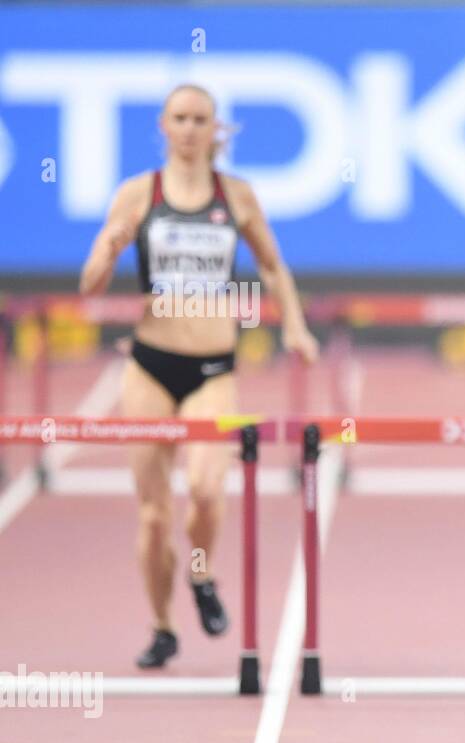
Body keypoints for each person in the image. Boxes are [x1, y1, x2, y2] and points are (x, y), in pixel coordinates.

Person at [79, 83, 319, 668]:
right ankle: (162, 627)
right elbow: (88, 289)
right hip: (150, 366)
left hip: (212, 368)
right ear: (163, 125)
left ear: (215, 128)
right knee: (154, 512)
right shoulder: (139, 195)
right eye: (180, 118)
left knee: (208, 491)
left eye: (200, 119)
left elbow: (272, 265)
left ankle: (202, 574)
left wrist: (294, 325)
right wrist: (108, 251)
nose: (189, 128)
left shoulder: (234, 196)